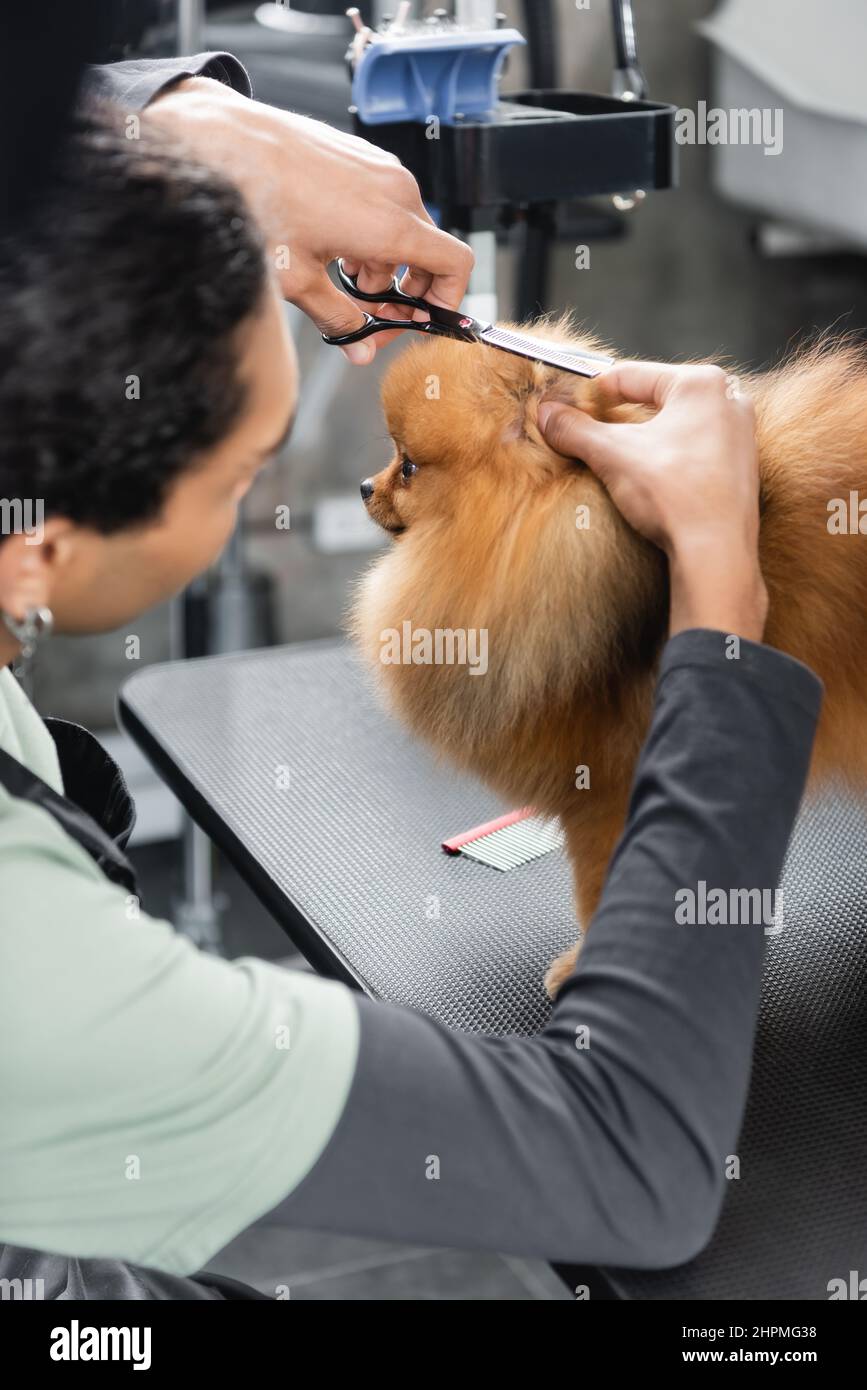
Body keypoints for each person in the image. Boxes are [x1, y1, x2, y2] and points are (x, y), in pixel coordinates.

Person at [0, 115, 821, 1299]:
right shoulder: (52, 991)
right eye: (241, 474)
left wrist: (187, 124)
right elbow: (633, 1163)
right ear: (48, 552)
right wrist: (720, 592)